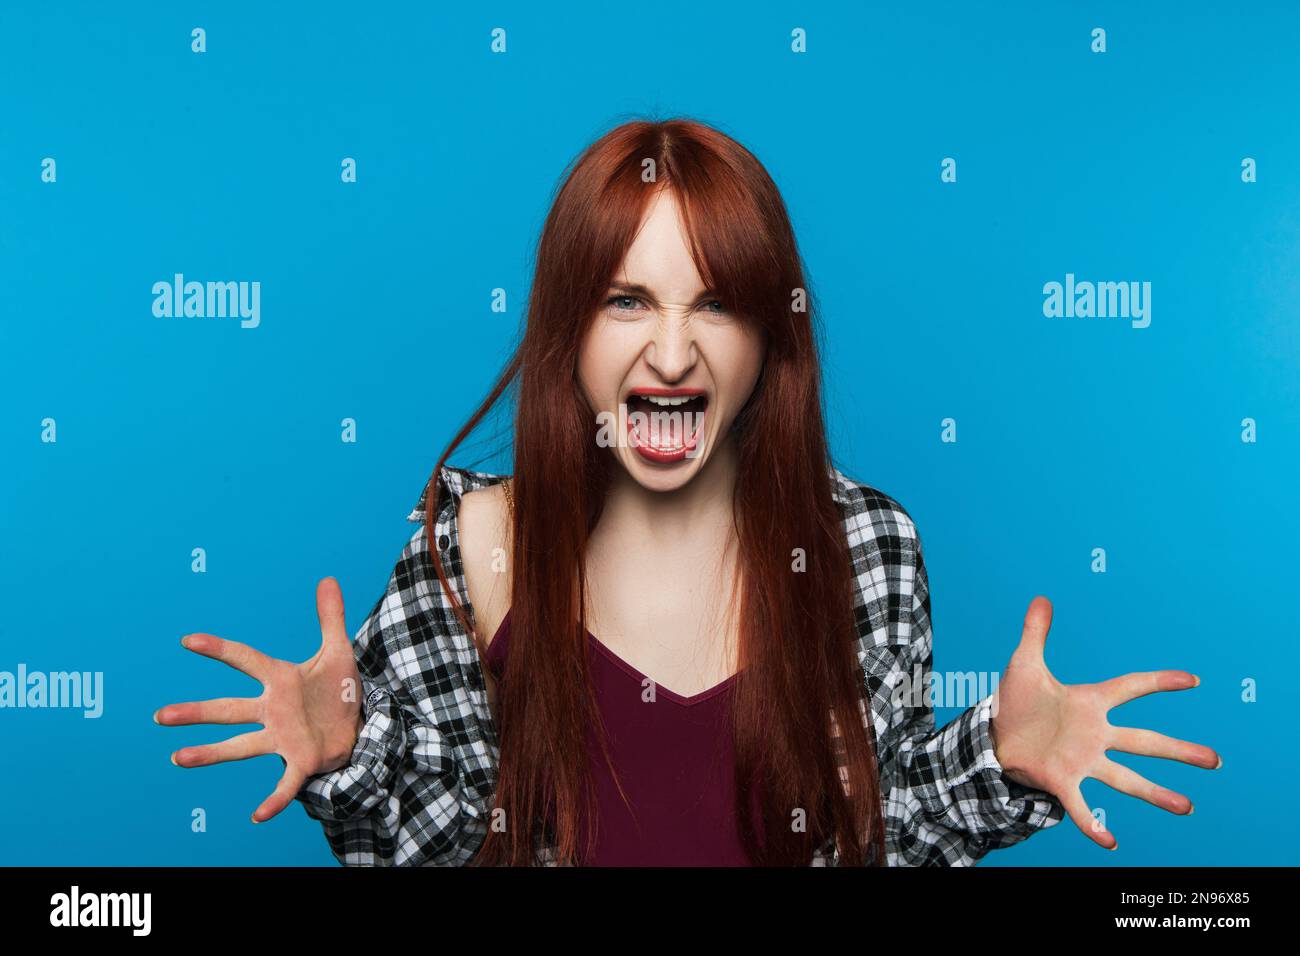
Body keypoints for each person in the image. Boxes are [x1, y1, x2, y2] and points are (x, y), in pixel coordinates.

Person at [154, 117, 1220, 866]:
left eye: (714, 304)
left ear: (769, 337)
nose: (670, 351)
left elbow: (876, 836)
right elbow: (436, 843)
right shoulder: (471, 544)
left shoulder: (865, 549)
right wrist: (350, 748)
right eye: (626, 300)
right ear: (568, 335)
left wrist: (999, 756)